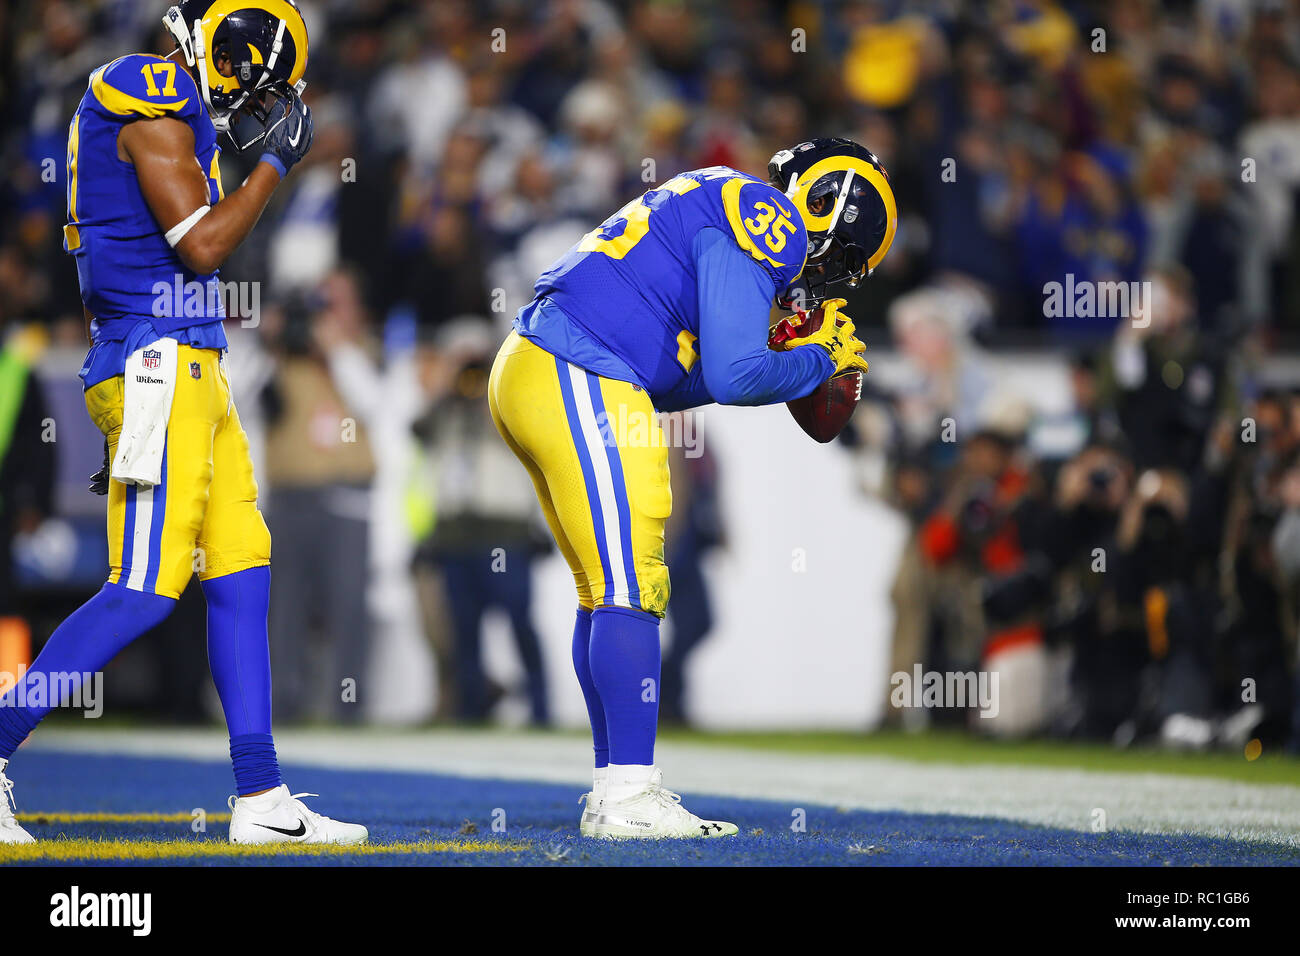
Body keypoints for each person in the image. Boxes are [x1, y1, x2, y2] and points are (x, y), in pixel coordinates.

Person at [0, 0, 365, 846]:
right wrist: (273, 167)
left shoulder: (182, 104)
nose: (254, 100)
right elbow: (202, 247)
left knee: (242, 567)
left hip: (192, 362)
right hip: (153, 364)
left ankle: (261, 797)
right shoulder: (150, 88)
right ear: (230, 49)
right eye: (256, 78)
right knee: (143, 587)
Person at [488, 138, 895, 838]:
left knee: (605, 590)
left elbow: (679, 383)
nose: (828, 276)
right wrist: (818, 358)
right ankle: (628, 796)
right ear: (829, 208)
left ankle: (613, 786)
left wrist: (790, 361)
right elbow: (740, 375)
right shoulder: (771, 214)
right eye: (843, 258)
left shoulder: (718, 206)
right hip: (578, 367)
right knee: (633, 586)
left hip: (540, 368)